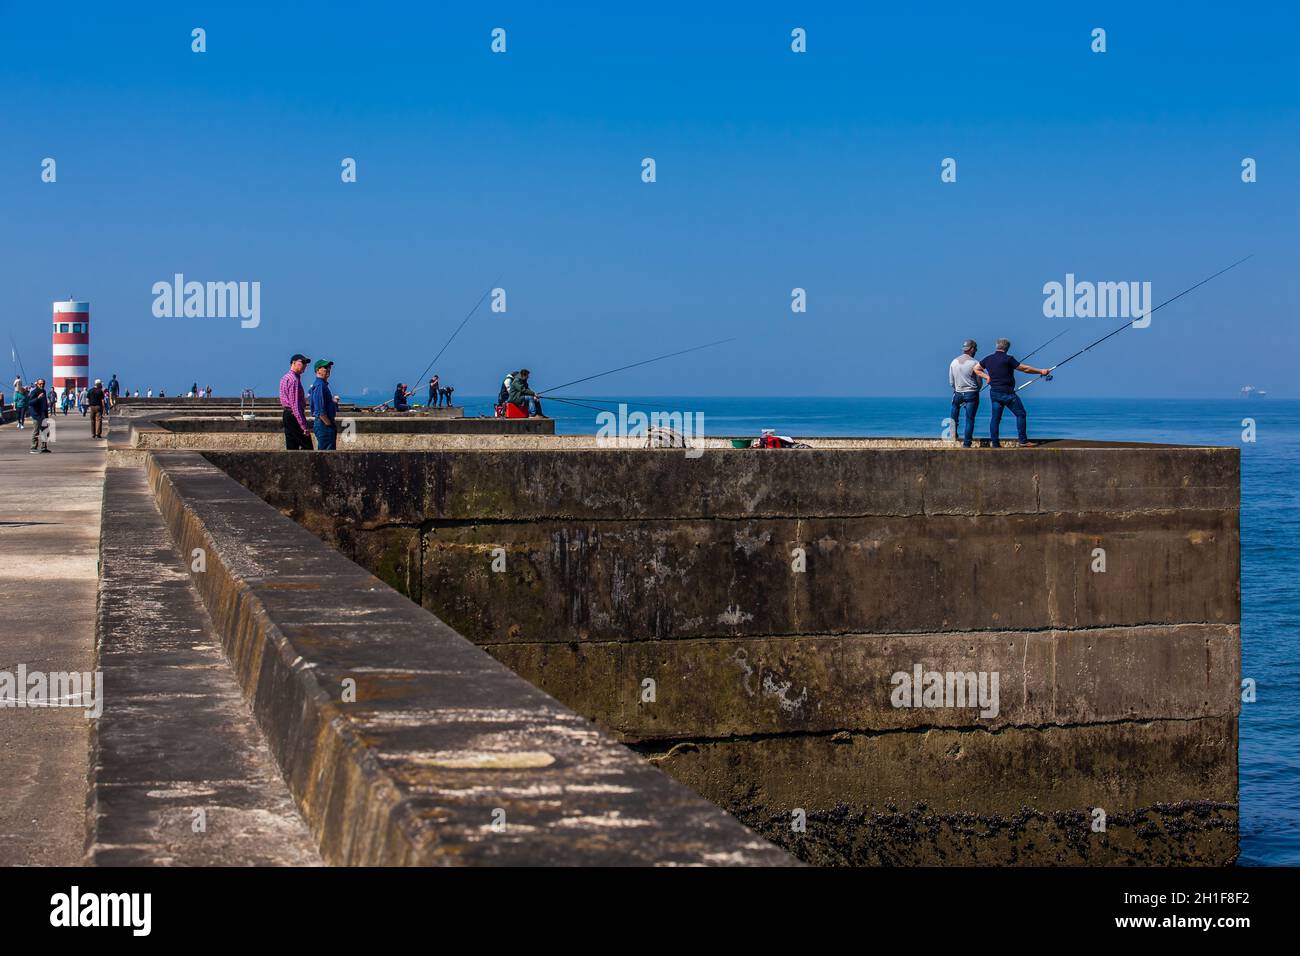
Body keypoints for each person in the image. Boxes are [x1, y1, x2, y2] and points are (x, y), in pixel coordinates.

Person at [979, 338, 1050, 448]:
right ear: (1007, 348)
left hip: (994, 393)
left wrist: (986, 377)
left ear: (996, 346)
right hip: (1008, 393)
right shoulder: (1008, 359)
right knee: (1021, 414)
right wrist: (1041, 371)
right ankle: (1023, 441)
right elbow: (1024, 369)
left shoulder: (988, 359)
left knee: (995, 419)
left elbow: (976, 369)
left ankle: (995, 444)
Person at [948, 340, 988, 448]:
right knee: (969, 419)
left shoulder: (954, 362)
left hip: (958, 392)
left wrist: (957, 388)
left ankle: (952, 434)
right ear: (971, 349)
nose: (976, 351)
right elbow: (979, 381)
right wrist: (977, 389)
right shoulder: (975, 363)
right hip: (972, 393)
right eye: (975, 349)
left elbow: (951, 381)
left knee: (954, 412)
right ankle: (967, 443)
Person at [279, 353, 313, 450]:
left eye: (306, 363)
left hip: (287, 414)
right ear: (293, 363)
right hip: (293, 415)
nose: (305, 365)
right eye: (302, 362)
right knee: (307, 446)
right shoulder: (293, 380)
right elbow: (295, 405)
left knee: (291, 446)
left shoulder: (285, 377)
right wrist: (303, 425)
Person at [308, 360, 340, 450]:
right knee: (326, 453)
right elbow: (319, 410)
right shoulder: (320, 386)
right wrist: (329, 424)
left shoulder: (322, 385)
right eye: (325, 367)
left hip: (324, 424)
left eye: (329, 367)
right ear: (318, 370)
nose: (328, 369)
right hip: (323, 424)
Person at [28, 378, 50, 453]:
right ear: (37, 384)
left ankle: (44, 448)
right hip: (36, 415)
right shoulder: (34, 392)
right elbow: (30, 403)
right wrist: (38, 398)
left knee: (45, 431)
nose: (42, 385)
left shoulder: (44, 391)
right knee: (36, 432)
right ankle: (33, 448)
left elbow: (45, 404)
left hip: (43, 415)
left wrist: (46, 416)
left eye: (43, 384)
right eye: (40, 384)